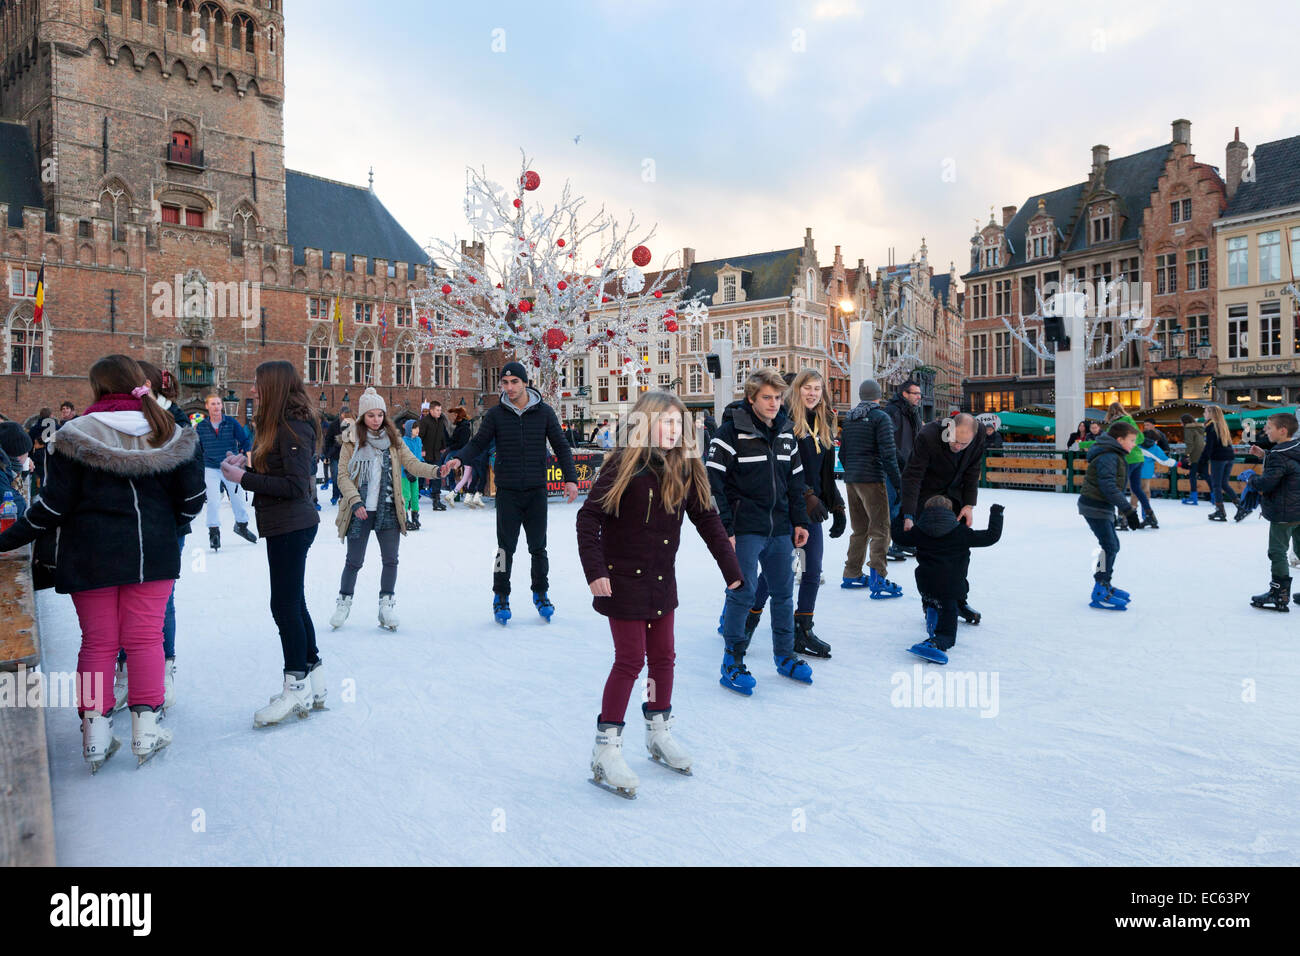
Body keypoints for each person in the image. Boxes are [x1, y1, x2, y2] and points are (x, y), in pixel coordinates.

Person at [0, 354, 205, 771]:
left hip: (89, 554)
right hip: (152, 554)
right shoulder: (171, 431)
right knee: (146, 638)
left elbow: (51, 507)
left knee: (98, 642)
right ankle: (146, 730)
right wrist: (168, 525)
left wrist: (8, 539)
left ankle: (95, 732)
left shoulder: (75, 434)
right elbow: (193, 499)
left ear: (97, 388)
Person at [576, 390, 742, 797]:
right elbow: (588, 519)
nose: (674, 431)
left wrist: (732, 571)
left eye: (679, 424)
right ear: (644, 424)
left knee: (664, 659)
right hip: (622, 581)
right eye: (666, 422)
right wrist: (595, 572)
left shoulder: (685, 467)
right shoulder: (622, 466)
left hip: (661, 581)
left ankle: (658, 731)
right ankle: (606, 749)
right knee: (631, 660)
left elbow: (707, 519)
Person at [218, 361, 324, 727]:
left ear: (274, 386)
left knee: (284, 605)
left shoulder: (293, 425)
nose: (252, 389)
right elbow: (278, 468)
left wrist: (245, 478)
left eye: (258, 383)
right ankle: (315, 681)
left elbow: (296, 485)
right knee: (294, 602)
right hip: (285, 524)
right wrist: (246, 461)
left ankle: (296, 683)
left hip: (291, 526)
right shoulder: (281, 423)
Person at [442, 362, 578, 624]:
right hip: (508, 491)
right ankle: (500, 595)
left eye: (514, 382)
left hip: (536, 490)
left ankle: (541, 592)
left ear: (525, 382)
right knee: (504, 549)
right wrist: (458, 459)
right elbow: (478, 443)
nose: (509, 387)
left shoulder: (544, 412)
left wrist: (570, 479)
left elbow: (560, 446)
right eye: (505, 383)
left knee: (538, 548)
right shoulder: (495, 414)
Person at [708, 367, 812, 694]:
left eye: (778, 397)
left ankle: (785, 655)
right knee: (744, 592)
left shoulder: (785, 432)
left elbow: (796, 483)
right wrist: (726, 527)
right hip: (745, 528)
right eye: (767, 397)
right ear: (752, 398)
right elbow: (714, 484)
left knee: (783, 594)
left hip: (780, 528)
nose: (774, 403)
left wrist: (799, 522)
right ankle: (733, 660)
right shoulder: (729, 433)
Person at [743, 369, 846, 658]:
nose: (813, 393)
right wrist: (806, 497)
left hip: (811, 511)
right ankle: (748, 618)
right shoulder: (784, 421)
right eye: (807, 388)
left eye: (817, 388)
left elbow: (824, 473)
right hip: (785, 508)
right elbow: (779, 469)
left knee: (812, 569)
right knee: (780, 570)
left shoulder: (824, 422)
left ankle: (803, 630)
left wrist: (837, 506)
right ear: (796, 390)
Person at [111, 360, 195, 712]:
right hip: (121, 524)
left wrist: (173, 519)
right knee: (120, 598)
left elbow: (191, 484)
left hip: (164, 526)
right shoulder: (113, 417)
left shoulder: (175, 418)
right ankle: (127, 672)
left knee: (162, 600)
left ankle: (164, 668)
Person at [329, 389, 442, 631]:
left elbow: (412, 463)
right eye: (371, 415)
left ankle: (386, 605)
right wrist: (355, 501)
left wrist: (436, 471)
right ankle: (344, 602)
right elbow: (343, 476)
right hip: (359, 510)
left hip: (389, 507)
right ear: (362, 417)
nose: (377, 420)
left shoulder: (393, 440)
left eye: (380, 414)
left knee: (391, 560)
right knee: (354, 561)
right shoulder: (351, 441)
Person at [891, 497, 1004, 664]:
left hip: (925, 586)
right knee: (947, 633)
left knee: (935, 597)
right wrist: (997, 513)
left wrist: (902, 514)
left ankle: (933, 607)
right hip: (950, 591)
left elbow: (898, 537)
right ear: (951, 512)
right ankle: (934, 643)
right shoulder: (961, 532)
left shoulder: (919, 531)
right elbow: (991, 536)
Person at [838, 379, 903, 597]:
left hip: (851, 480)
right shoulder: (880, 417)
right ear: (878, 395)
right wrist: (898, 482)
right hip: (872, 479)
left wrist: (852, 473)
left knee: (860, 529)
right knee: (881, 529)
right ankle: (878, 578)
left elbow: (842, 453)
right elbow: (888, 454)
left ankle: (851, 573)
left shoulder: (849, 418)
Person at [1077, 421, 1142, 611]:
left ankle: (1104, 583)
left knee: (1112, 546)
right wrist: (1128, 510)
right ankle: (1100, 587)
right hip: (1094, 506)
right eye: (1131, 440)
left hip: (1100, 506)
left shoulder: (1113, 453)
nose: (1133, 444)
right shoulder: (1108, 456)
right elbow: (1108, 487)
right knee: (1110, 546)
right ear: (1119, 439)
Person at [1244, 413, 1300, 611]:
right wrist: (1265, 455)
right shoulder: (1295, 448)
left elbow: (1267, 483)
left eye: (1269, 427)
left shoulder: (1278, 454)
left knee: (1277, 551)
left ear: (1282, 430)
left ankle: (1279, 593)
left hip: (1284, 512)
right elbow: (1290, 466)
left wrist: (1250, 478)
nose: (1265, 431)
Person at [901, 412, 986, 530]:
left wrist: (968, 505)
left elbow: (973, 471)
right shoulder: (928, 435)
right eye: (955, 440)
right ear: (949, 428)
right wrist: (908, 515)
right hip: (928, 495)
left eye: (964, 443)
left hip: (956, 497)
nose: (958, 446)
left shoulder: (980, 432)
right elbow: (913, 476)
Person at [196, 392, 256, 550]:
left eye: (218, 404)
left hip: (230, 466)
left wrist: (244, 457)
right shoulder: (201, 427)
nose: (216, 407)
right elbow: (196, 449)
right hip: (210, 467)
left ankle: (241, 525)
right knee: (214, 500)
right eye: (213, 404)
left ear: (222, 406)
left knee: (238, 498)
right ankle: (214, 532)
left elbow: (244, 440)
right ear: (207, 407)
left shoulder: (231, 422)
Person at [883, 380, 923, 559]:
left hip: (909, 466)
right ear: (904, 394)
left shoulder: (912, 412)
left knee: (906, 505)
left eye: (920, 394)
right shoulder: (893, 411)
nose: (919, 397)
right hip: (895, 467)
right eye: (915, 393)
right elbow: (889, 441)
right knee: (894, 505)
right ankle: (892, 544)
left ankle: (902, 542)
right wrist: (900, 461)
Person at [1104, 402, 1153, 528]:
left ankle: (1122, 518)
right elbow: (1141, 438)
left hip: (1126, 460)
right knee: (1137, 489)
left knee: (1119, 488)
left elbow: (1106, 442)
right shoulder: (1130, 420)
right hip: (1138, 459)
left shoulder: (1114, 426)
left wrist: (1083, 445)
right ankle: (1150, 516)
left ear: (1111, 413)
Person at [1203, 405, 1240, 522]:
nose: (1204, 414)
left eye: (1205, 412)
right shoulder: (1222, 425)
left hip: (1218, 458)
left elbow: (1209, 446)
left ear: (1211, 413)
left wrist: (1202, 461)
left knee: (1216, 485)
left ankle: (1220, 511)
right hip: (1229, 457)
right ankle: (1241, 506)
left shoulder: (1211, 426)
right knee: (1223, 483)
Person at [417, 400, 450, 510]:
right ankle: (413, 499)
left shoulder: (441, 421)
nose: (439, 412)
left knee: (437, 475)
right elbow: (419, 436)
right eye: (437, 410)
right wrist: (421, 449)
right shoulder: (425, 421)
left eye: (440, 410)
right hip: (426, 453)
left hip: (436, 453)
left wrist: (443, 446)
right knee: (420, 473)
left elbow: (442, 435)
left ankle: (436, 501)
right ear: (431, 410)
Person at [323, 407, 352, 505]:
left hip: (348, 455)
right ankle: (335, 495)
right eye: (343, 415)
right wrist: (327, 454)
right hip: (335, 454)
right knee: (335, 476)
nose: (344, 417)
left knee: (347, 476)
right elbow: (328, 439)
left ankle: (344, 495)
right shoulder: (333, 425)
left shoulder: (352, 424)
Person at [444, 406, 472, 504]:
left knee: (448, 463)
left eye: (455, 414)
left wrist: (450, 448)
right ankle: (455, 489)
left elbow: (462, 443)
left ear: (459, 415)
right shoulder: (459, 426)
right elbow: (453, 440)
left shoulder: (465, 427)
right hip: (455, 450)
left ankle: (454, 489)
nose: (453, 417)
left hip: (460, 452)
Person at [1180, 413, 1209, 505]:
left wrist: (1185, 455)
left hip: (1195, 456)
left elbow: (1190, 444)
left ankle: (1194, 497)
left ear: (1185, 422)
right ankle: (1214, 497)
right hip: (1203, 454)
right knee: (1206, 475)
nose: (1181, 424)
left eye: (1181, 422)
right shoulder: (1200, 428)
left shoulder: (1188, 429)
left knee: (1192, 476)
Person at [401, 419, 424, 530]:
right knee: (406, 496)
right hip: (404, 474)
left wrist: (422, 465)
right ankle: (404, 519)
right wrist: (406, 470)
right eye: (415, 428)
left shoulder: (419, 440)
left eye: (418, 427)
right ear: (409, 429)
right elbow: (401, 458)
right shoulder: (403, 441)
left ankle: (415, 517)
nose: (417, 430)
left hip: (415, 473)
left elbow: (419, 456)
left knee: (415, 496)